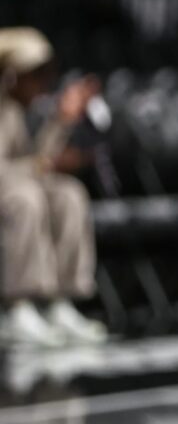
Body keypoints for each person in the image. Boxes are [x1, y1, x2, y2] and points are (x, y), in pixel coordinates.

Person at [0, 27, 106, 346]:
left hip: (12, 183)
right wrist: (42, 166)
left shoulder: (15, 109)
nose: (43, 83)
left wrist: (63, 119)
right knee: (26, 199)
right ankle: (17, 305)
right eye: (35, 74)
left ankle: (60, 301)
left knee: (68, 194)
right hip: (10, 189)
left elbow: (34, 160)